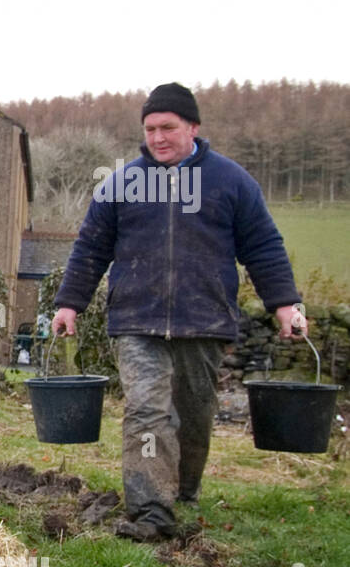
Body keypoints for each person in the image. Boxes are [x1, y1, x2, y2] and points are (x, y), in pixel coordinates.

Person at [50, 82, 306, 541]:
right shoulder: (123, 183)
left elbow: (264, 247)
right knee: (148, 413)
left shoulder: (232, 182)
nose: (157, 137)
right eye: (150, 128)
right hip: (136, 320)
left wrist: (285, 305)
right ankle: (150, 510)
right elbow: (91, 247)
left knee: (193, 414)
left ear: (193, 127)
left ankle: (183, 488)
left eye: (167, 127)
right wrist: (70, 303)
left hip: (203, 319)